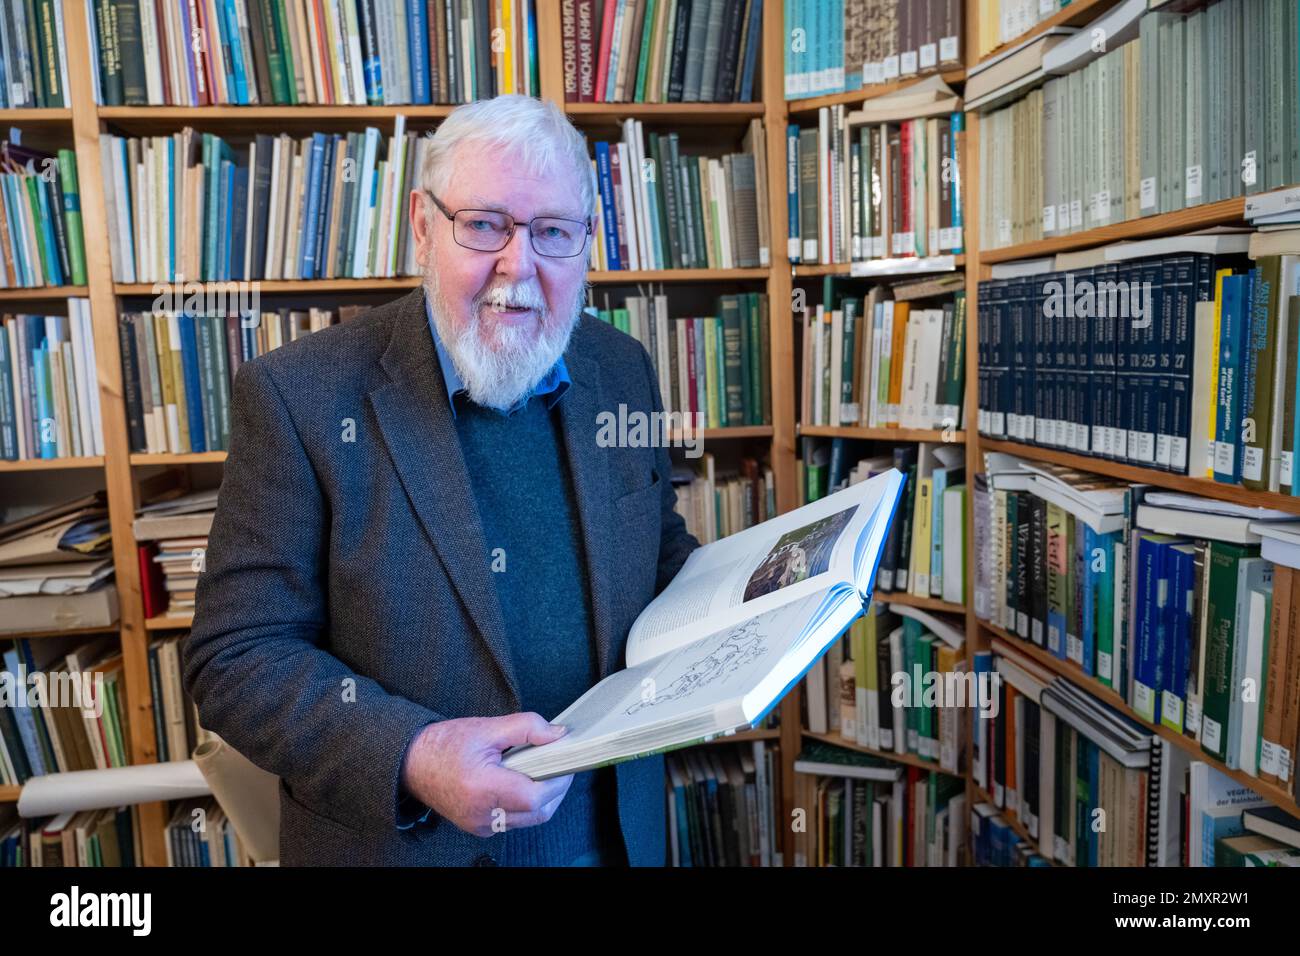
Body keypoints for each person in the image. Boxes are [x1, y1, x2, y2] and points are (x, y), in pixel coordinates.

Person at [183, 94, 699, 866]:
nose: (517, 268)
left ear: (586, 244)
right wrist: (414, 754)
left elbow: (660, 560)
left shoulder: (621, 370)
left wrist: (767, 605)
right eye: (485, 224)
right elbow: (238, 655)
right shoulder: (300, 397)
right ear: (424, 225)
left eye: (552, 233)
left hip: (615, 842)